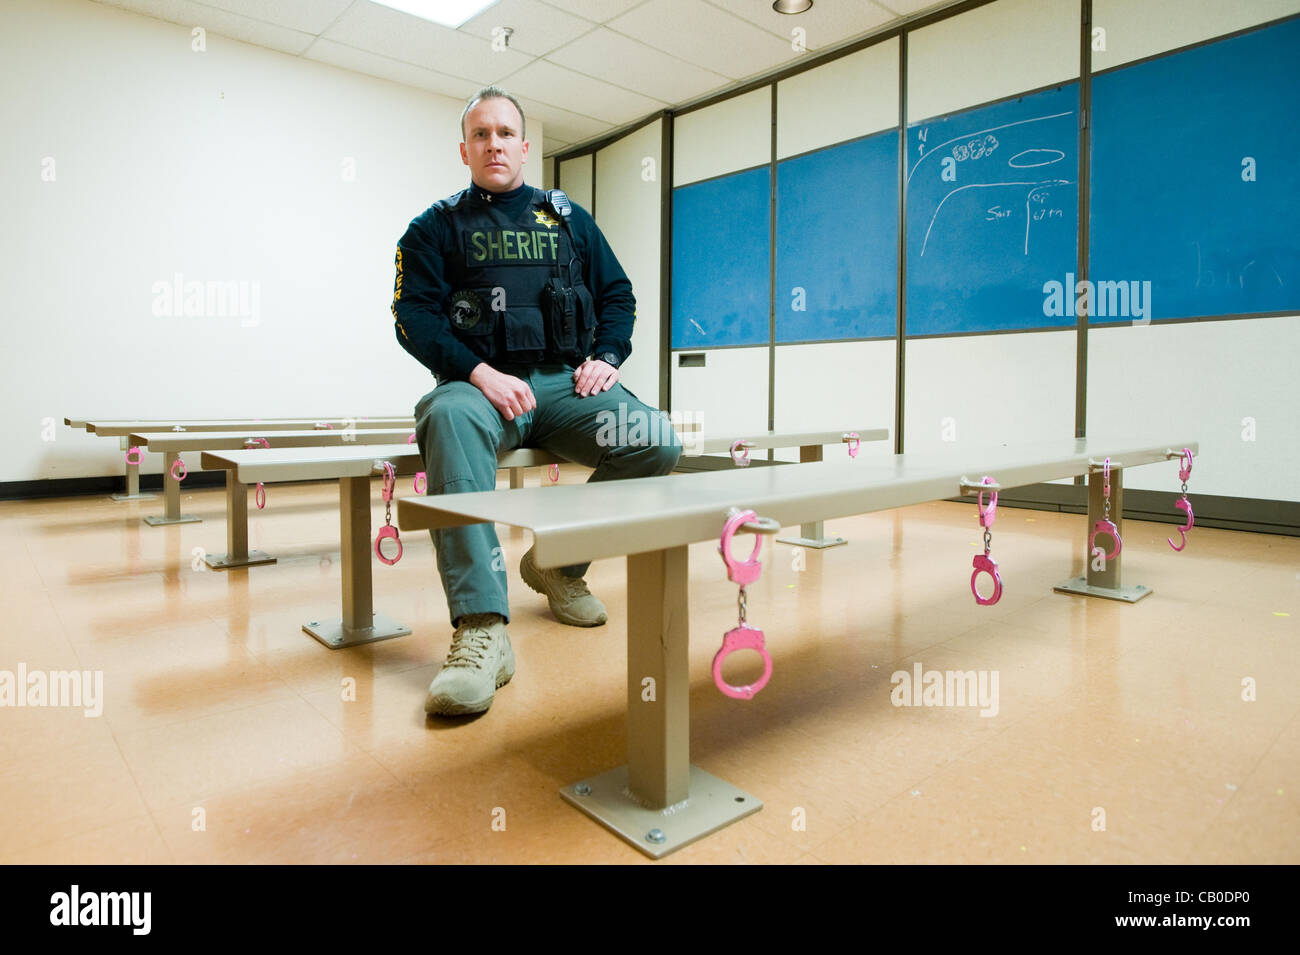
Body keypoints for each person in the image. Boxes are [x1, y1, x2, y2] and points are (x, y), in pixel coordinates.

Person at [392, 86, 681, 717]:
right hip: (481, 389)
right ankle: (482, 628)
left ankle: (557, 565)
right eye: (480, 134)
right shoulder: (433, 228)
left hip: (564, 384)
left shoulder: (569, 218)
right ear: (464, 149)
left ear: (526, 146)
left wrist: (606, 358)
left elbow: (619, 296)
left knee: (654, 440)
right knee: (445, 416)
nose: (493, 143)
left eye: (505, 133)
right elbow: (411, 316)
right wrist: (475, 371)